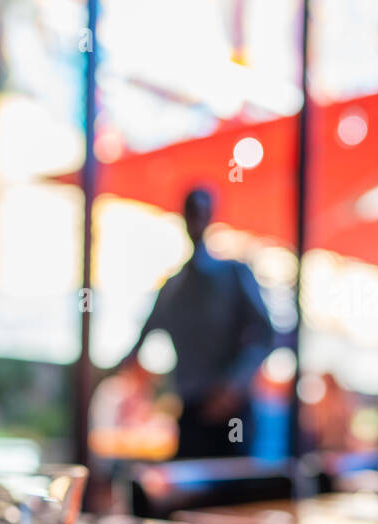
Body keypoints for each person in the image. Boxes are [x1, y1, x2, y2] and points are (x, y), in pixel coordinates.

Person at [116, 188, 272, 459]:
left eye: (201, 211)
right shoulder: (172, 288)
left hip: (231, 415)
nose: (196, 219)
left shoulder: (234, 274)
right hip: (190, 412)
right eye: (191, 211)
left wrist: (233, 385)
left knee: (233, 492)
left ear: (211, 215)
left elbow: (266, 334)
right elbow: (138, 346)